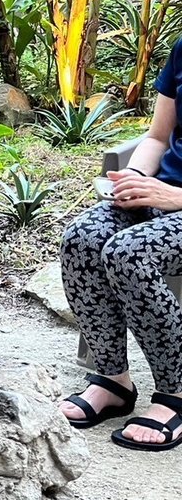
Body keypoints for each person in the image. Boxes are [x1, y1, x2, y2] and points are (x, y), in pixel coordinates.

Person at [59, 42, 182, 451]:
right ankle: (113, 380)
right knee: (81, 239)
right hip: (158, 194)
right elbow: (158, 137)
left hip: (175, 200)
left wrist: (174, 198)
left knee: (129, 253)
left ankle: (175, 393)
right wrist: (131, 179)